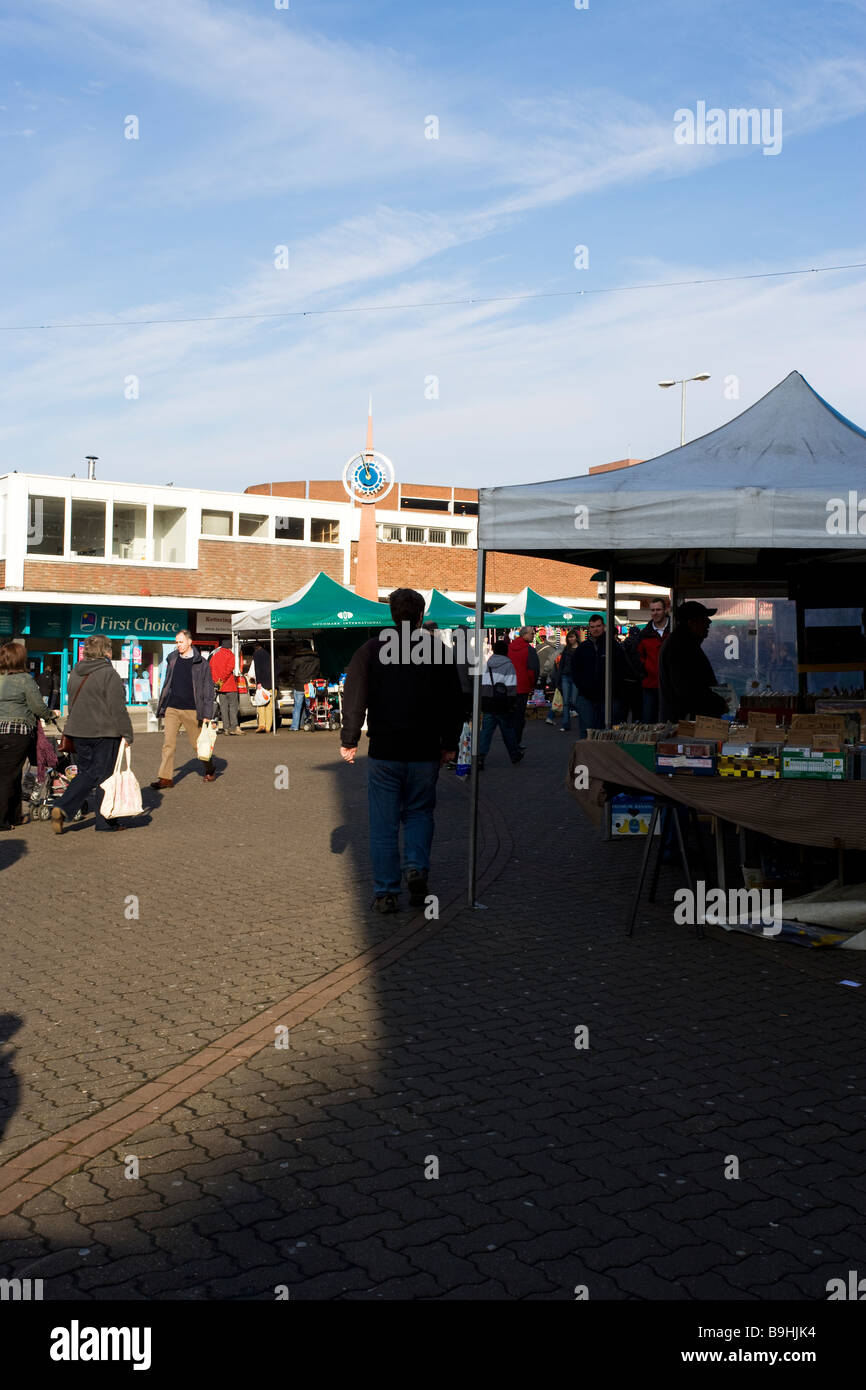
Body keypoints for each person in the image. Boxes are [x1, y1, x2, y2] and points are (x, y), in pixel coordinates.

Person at [340, 588, 463, 914]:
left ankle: (386, 892)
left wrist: (350, 739)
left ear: (392, 615)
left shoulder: (371, 649)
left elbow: (354, 696)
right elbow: (453, 701)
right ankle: (415, 869)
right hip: (425, 750)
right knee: (420, 814)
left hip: (385, 750)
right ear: (421, 615)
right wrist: (450, 744)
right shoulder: (438, 650)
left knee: (383, 824)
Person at [52, 634, 135, 833]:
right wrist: (127, 733)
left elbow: (71, 702)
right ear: (106, 651)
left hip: (78, 732)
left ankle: (64, 807)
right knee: (104, 777)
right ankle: (104, 821)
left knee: (87, 772)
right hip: (104, 733)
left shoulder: (76, 672)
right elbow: (118, 708)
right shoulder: (109, 674)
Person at [151, 629, 217, 788]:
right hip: (172, 708)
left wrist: (208, 714)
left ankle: (210, 768)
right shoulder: (173, 658)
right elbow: (168, 682)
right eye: (177, 642)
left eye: (181, 642)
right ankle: (166, 778)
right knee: (168, 744)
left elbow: (208, 689)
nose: (178, 645)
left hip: (192, 709)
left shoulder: (201, 663)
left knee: (198, 745)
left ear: (189, 642)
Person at [0, 641, 55, 830]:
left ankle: (14, 816)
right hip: (16, 733)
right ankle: (1, 821)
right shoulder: (24, 679)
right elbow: (38, 706)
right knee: (7, 777)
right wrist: (50, 714)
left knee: (12, 775)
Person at [658, 602, 727, 721]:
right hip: (686, 723)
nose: (709, 622)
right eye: (704, 619)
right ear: (691, 622)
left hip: (687, 721)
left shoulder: (683, 644)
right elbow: (688, 690)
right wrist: (718, 703)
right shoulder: (680, 648)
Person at [571, 614, 633, 735]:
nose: (595, 629)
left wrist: (615, 689)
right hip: (587, 697)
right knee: (587, 732)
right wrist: (582, 687)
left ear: (603, 626)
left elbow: (622, 669)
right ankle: (586, 754)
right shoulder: (582, 648)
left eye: (598, 626)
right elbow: (575, 670)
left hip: (609, 697)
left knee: (608, 733)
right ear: (589, 628)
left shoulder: (613, 646)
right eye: (592, 626)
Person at [478, 639, 522, 769]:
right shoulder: (509, 665)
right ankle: (514, 755)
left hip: (488, 702)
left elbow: (483, 684)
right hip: (503, 704)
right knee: (507, 730)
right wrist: (512, 702)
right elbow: (511, 686)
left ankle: (481, 757)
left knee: (486, 732)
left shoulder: (487, 664)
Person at [630, 596, 671, 723]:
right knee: (649, 722)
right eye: (652, 610)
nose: (655, 613)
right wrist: (645, 671)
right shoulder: (644, 634)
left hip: (670, 686)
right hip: (650, 685)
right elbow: (636, 657)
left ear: (665, 610)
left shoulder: (674, 630)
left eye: (658, 610)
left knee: (669, 723)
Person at [507, 626, 539, 749]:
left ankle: (511, 740)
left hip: (509, 686)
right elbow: (533, 670)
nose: (533, 635)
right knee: (519, 717)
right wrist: (532, 684)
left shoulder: (509, 647)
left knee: (511, 715)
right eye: (532, 634)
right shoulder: (529, 650)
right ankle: (516, 742)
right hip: (523, 687)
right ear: (524, 634)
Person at [548, 628, 581, 731]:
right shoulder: (566, 649)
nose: (571, 639)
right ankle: (565, 724)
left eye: (572, 637)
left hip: (576, 677)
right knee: (566, 701)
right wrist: (559, 678)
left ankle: (583, 720)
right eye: (569, 637)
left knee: (574, 701)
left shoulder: (580, 649)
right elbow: (561, 664)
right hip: (565, 676)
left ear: (576, 637)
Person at [210, 638, 243, 735]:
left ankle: (226, 728)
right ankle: (234, 727)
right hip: (229, 685)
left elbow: (211, 669)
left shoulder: (215, 656)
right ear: (229, 647)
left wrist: (217, 682)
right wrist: (221, 680)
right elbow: (229, 669)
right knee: (233, 706)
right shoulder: (230, 655)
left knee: (223, 708)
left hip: (220, 687)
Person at [287, 640, 321, 730]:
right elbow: (318, 671)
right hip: (310, 685)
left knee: (297, 707)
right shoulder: (316, 658)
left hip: (299, 685)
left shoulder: (297, 658)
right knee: (310, 706)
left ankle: (295, 726)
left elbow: (292, 671)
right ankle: (311, 724)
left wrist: (291, 681)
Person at [248, 642, 274, 733]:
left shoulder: (256, 655)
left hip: (261, 685)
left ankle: (262, 725)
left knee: (261, 705)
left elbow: (255, 671)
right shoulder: (272, 654)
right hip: (272, 684)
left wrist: (258, 682)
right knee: (269, 707)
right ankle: (268, 727)